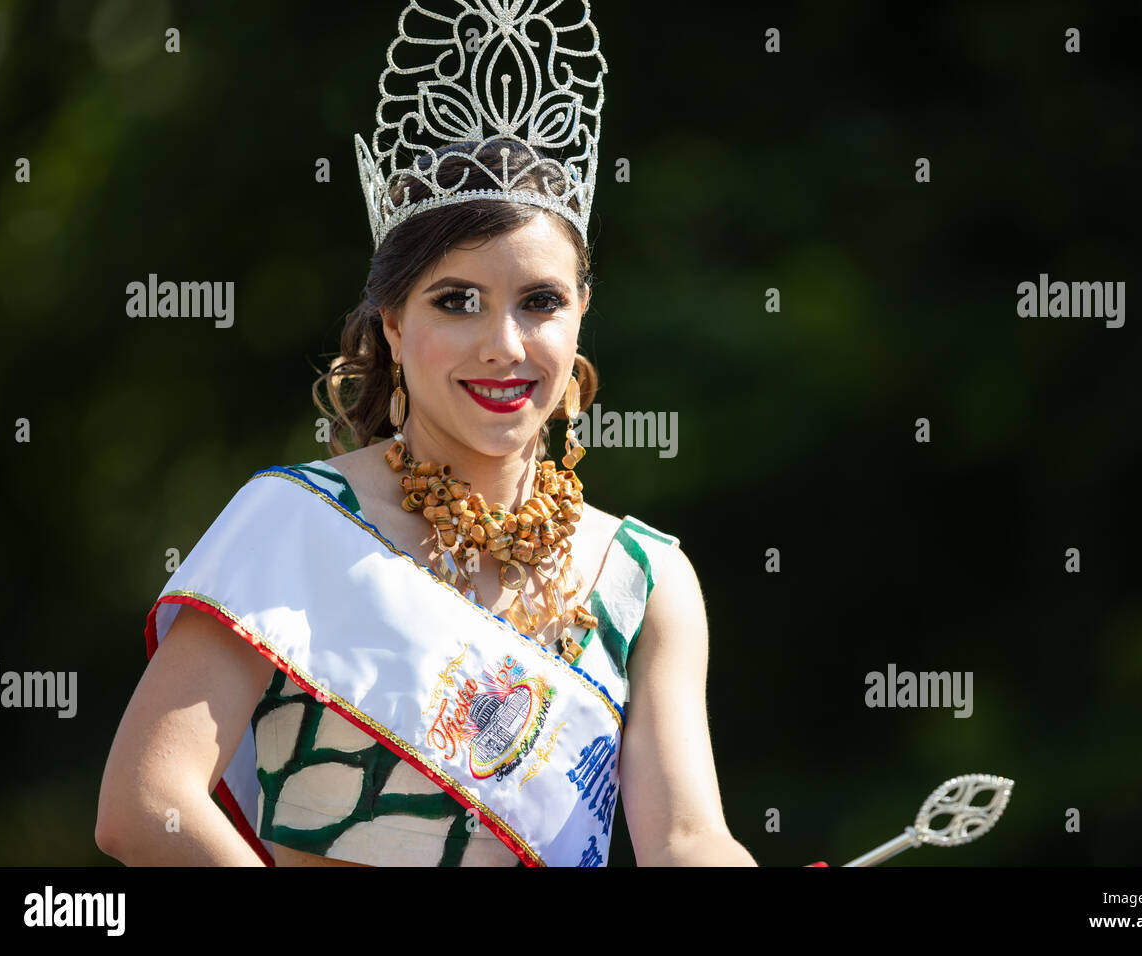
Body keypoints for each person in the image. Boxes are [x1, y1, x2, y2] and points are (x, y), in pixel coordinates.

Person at [95, 0, 757, 867]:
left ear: (582, 316)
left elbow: (685, 838)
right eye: (458, 302)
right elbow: (147, 803)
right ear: (394, 326)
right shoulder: (296, 525)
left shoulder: (643, 581)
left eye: (541, 302)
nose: (505, 345)